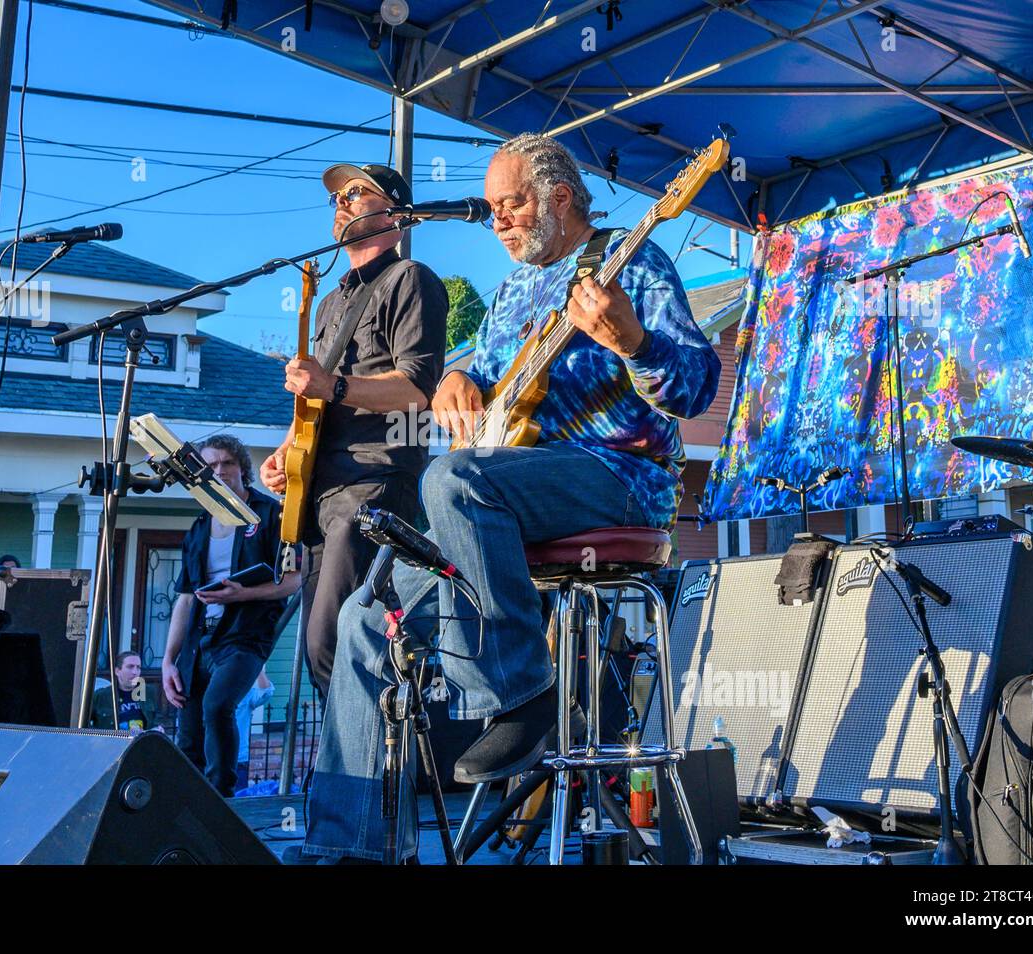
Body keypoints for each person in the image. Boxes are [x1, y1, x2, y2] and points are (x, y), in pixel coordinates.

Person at [298, 133, 721, 862]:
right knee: (367, 616)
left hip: (618, 480)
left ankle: (519, 697)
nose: (498, 220)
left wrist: (634, 342)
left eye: (512, 203)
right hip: (505, 503)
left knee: (450, 480)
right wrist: (458, 381)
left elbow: (697, 389)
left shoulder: (633, 260)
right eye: (492, 208)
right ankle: (351, 849)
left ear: (561, 198)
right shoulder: (510, 293)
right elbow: (480, 386)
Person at [259, 163, 448, 696]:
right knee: (323, 657)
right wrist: (284, 453)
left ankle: (381, 774)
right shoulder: (330, 302)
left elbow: (417, 389)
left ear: (397, 214)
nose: (341, 202)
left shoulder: (411, 280)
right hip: (322, 489)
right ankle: (349, 771)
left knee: (339, 643)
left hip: (373, 483)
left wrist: (334, 386)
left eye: (357, 193)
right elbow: (320, 400)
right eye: (337, 197)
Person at [162, 435, 299, 797]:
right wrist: (168, 660)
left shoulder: (269, 515)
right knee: (188, 733)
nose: (219, 471)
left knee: (218, 704)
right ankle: (188, 808)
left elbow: (293, 581)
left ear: (242, 469)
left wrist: (244, 593)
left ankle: (221, 797)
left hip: (245, 635)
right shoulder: (199, 527)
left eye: (227, 464)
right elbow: (185, 598)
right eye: (211, 466)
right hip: (200, 639)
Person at [89, 651, 158, 733]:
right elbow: (82, 723)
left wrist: (157, 729)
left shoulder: (148, 692)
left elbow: (157, 720)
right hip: (113, 744)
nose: (135, 672)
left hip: (141, 743)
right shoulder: (102, 696)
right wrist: (97, 738)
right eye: (130, 667)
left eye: (138, 667)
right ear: (117, 671)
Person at [233, 668, 275, 791]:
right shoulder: (209, 694)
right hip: (211, 758)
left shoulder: (244, 695)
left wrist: (257, 667)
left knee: (238, 800)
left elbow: (266, 692)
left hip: (238, 759)